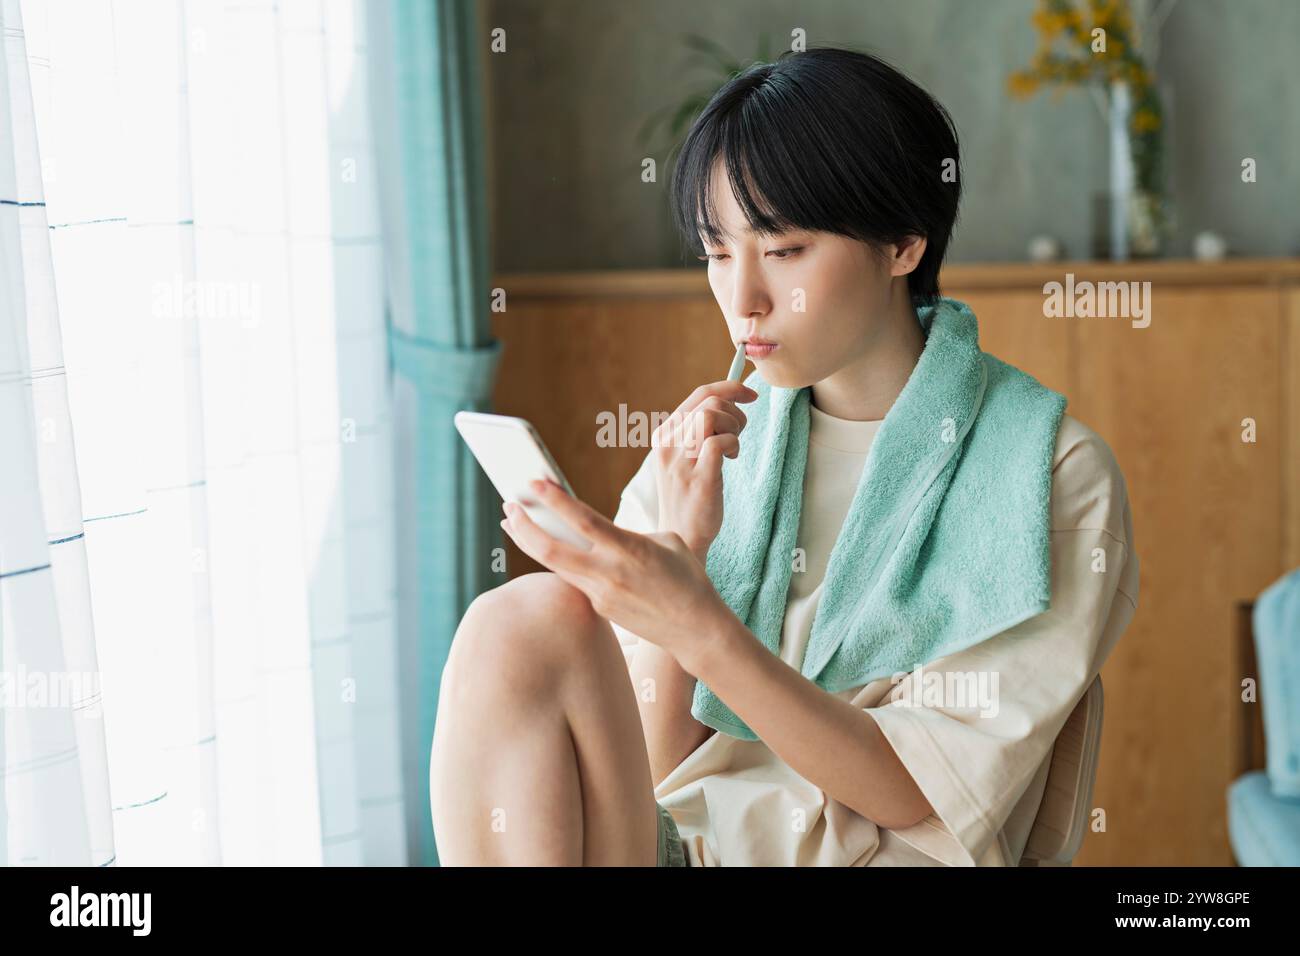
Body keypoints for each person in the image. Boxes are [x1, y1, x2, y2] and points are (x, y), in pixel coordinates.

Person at [429, 46, 1138, 866]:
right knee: (517, 620)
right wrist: (680, 554)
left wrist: (698, 623)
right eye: (717, 252)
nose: (743, 301)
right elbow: (660, 773)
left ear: (904, 244)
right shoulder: (708, 455)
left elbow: (918, 789)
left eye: (785, 249)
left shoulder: (1049, 473)